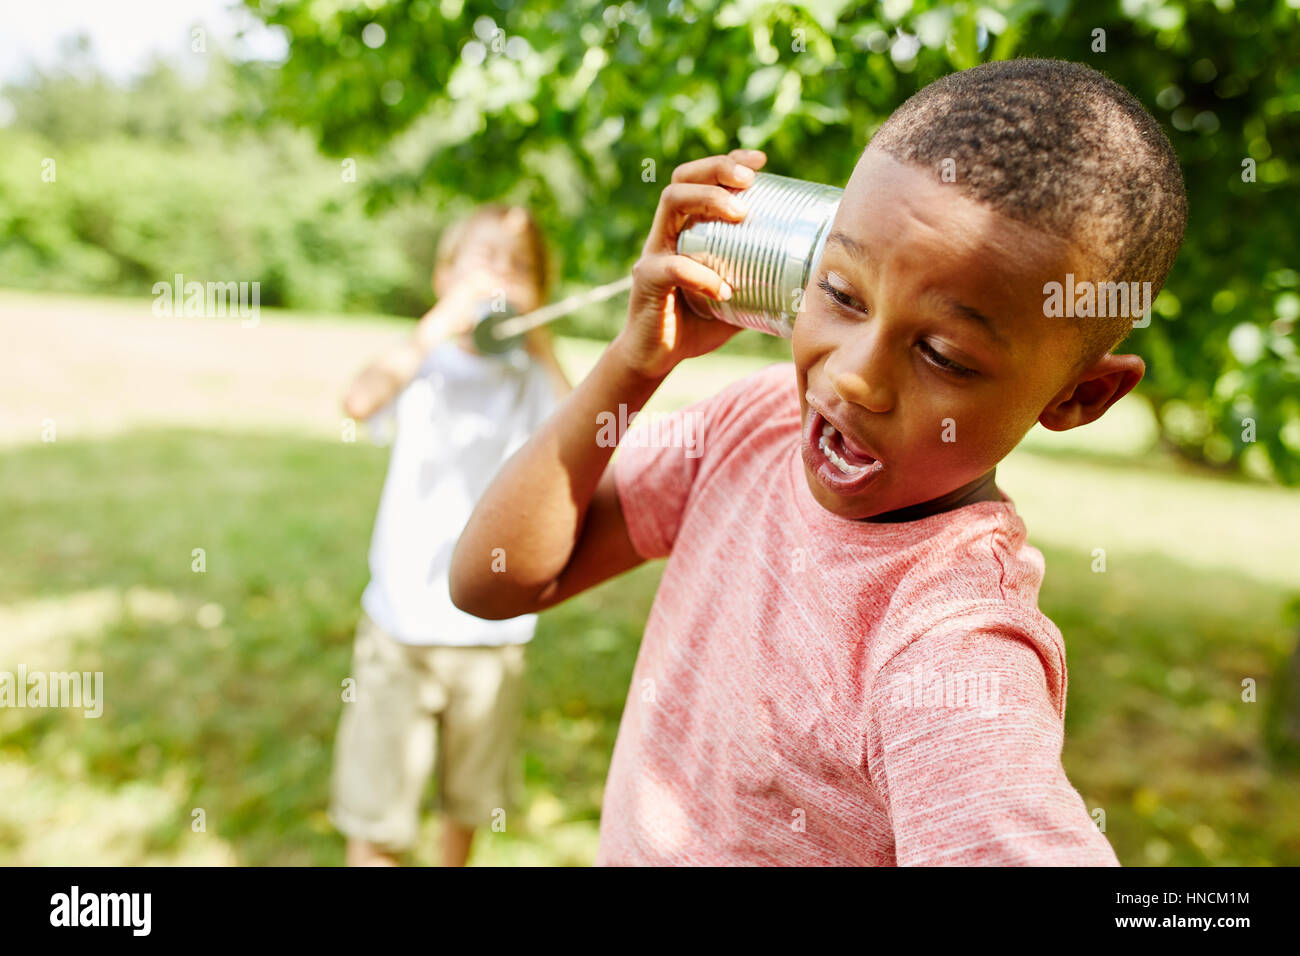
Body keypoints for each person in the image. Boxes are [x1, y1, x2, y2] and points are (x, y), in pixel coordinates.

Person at [449, 60, 1187, 865]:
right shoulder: (757, 422)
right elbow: (496, 580)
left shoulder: (947, 644)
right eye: (841, 292)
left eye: (941, 352)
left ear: (1082, 396)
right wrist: (634, 364)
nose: (853, 377)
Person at [329, 204, 570, 866]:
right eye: (484, 259)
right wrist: (433, 329)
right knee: (377, 814)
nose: (501, 274)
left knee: (468, 805)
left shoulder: (530, 379)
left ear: (541, 292)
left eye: (520, 266)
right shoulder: (423, 366)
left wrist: (541, 341)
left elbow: (589, 442)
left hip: (492, 633)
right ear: (444, 276)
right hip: (400, 623)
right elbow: (357, 401)